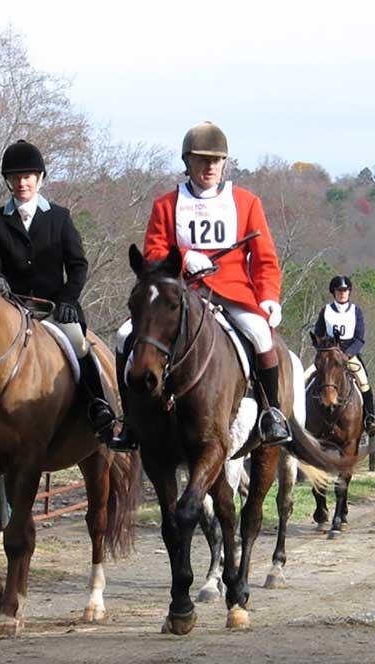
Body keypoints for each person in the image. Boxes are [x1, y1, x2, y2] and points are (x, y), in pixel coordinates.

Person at [0, 140, 116, 443]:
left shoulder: (59, 217)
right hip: (8, 308)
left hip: (53, 308)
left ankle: (98, 405)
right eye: (15, 177)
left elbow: (77, 264)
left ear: (39, 179)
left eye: (27, 177)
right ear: (8, 182)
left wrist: (67, 299)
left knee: (80, 346)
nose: (22, 182)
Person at [137, 121, 290, 446]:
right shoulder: (166, 204)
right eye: (202, 159)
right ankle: (132, 419)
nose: (209, 166)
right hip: (179, 294)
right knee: (127, 336)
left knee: (262, 335)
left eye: (216, 160)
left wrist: (269, 297)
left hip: (233, 292)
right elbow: (152, 252)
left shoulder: (247, 203)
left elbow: (264, 259)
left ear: (224, 163)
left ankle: (271, 414)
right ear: (187, 162)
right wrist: (185, 255)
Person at [313, 275, 375, 434]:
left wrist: (347, 354)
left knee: (364, 382)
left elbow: (359, 338)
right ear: (333, 292)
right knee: (305, 379)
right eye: (339, 290)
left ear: (349, 292)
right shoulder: (326, 311)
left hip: (349, 353)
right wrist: (324, 351)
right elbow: (318, 334)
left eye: (345, 290)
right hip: (329, 355)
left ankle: (370, 418)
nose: (342, 293)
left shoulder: (356, 311)